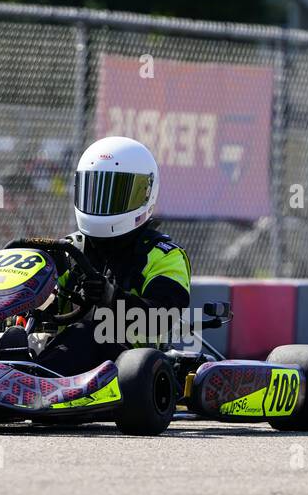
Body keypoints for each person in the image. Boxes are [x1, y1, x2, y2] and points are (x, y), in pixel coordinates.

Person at [34, 135, 191, 375]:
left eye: (115, 194)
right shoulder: (71, 248)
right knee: (9, 334)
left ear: (144, 194)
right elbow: (47, 300)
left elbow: (162, 318)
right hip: (64, 352)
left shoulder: (163, 256)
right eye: (96, 191)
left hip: (130, 366)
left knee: (88, 332)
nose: (102, 204)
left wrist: (111, 298)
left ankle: (29, 383)